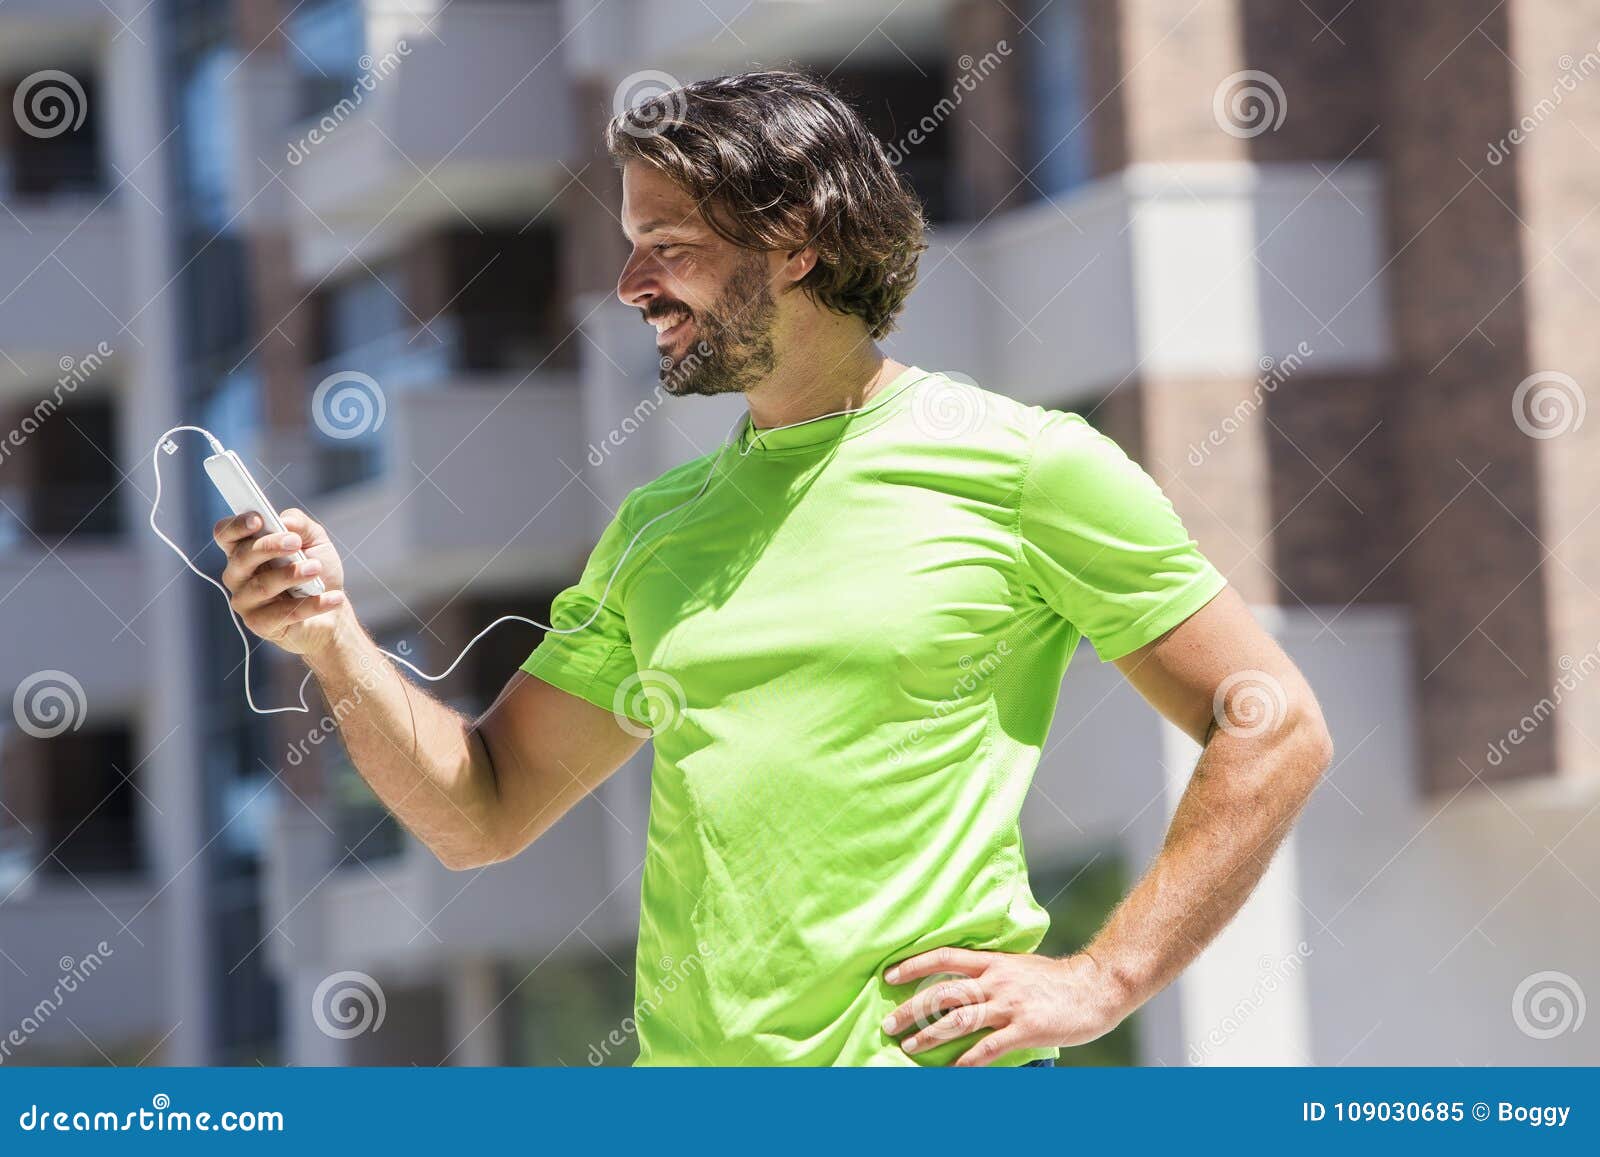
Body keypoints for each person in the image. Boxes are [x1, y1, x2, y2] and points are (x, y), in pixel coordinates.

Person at [213, 71, 1332, 1067]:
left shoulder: (1027, 465)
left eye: (670, 245)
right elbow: (483, 816)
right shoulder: (661, 526)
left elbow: (1270, 719)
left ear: (794, 244)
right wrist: (334, 643)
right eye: (632, 243)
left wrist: (1104, 979)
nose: (632, 284)